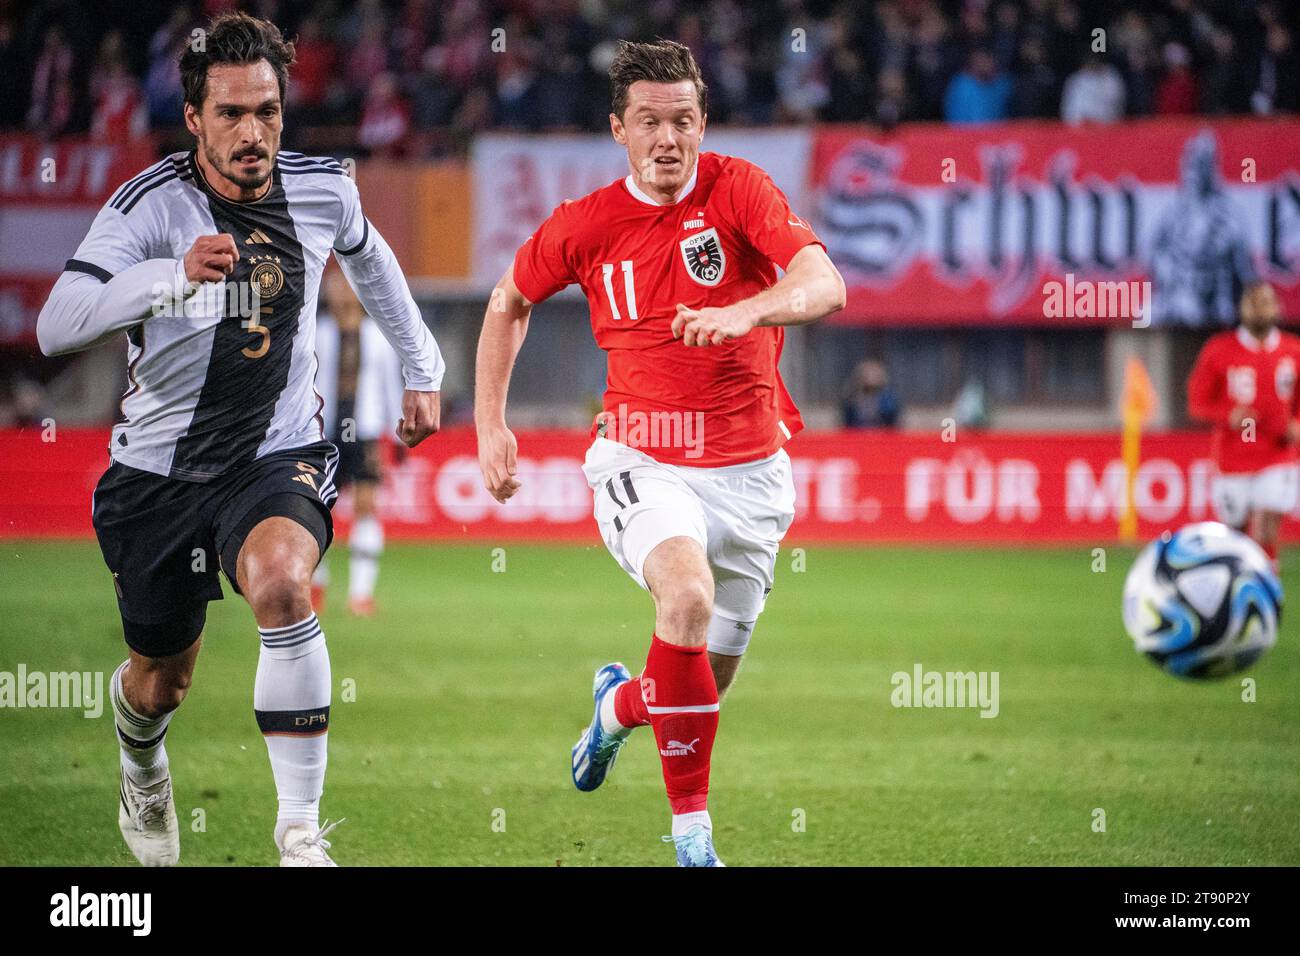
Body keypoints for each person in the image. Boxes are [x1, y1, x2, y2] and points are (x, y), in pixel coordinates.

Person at [35, 13, 443, 867]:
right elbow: (56, 325)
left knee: (285, 587)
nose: (253, 132)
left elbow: (371, 260)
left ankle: (299, 833)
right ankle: (140, 755)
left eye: (267, 110)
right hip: (157, 475)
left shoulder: (324, 189)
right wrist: (168, 276)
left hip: (274, 453)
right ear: (194, 118)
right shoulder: (146, 207)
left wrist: (422, 365)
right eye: (231, 114)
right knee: (160, 683)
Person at [475, 39, 845, 866]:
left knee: (697, 689)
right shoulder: (587, 224)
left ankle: (617, 710)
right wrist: (490, 423)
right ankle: (692, 841)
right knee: (683, 600)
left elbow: (826, 284)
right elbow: (508, 302)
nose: (669, 139)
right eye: (650, 123)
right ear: (619, 129)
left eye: (683, 121)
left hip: (753, 473)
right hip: (644, 458)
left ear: (703, 122)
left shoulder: (740, 189)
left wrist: (751, 312)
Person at [312, 269, 404, 616]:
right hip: (324, 434)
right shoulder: (317, 334)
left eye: (349, 288)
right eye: (337, 288)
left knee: (366, 507)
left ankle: (361, 593)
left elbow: (390, 386)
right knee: (317, 511)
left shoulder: (378, 337)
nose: (344, 294)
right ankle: (315, 583)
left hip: (363, 432)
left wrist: (397, 433)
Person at [1187, 282, 1299, 567]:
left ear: (1277, 307)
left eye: (1265, 301)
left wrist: (1297, 425)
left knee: (1265, 528)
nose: (1260, 308)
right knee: (1234, 535)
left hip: (1278, 455)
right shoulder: (1219, 349)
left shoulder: (1292, 351)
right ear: (1242, 308)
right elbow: (1197, 402)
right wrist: (1228, 414)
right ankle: (1235, 594)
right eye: (1253, 302)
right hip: (1233, 459)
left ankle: (1266, 595)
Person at [842, 358, 901, 428]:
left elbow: (891, 423)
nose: (870, 377)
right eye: (867, 373)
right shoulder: (852, 399)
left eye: (874, 373)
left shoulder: (888, 399)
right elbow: (848, 424)